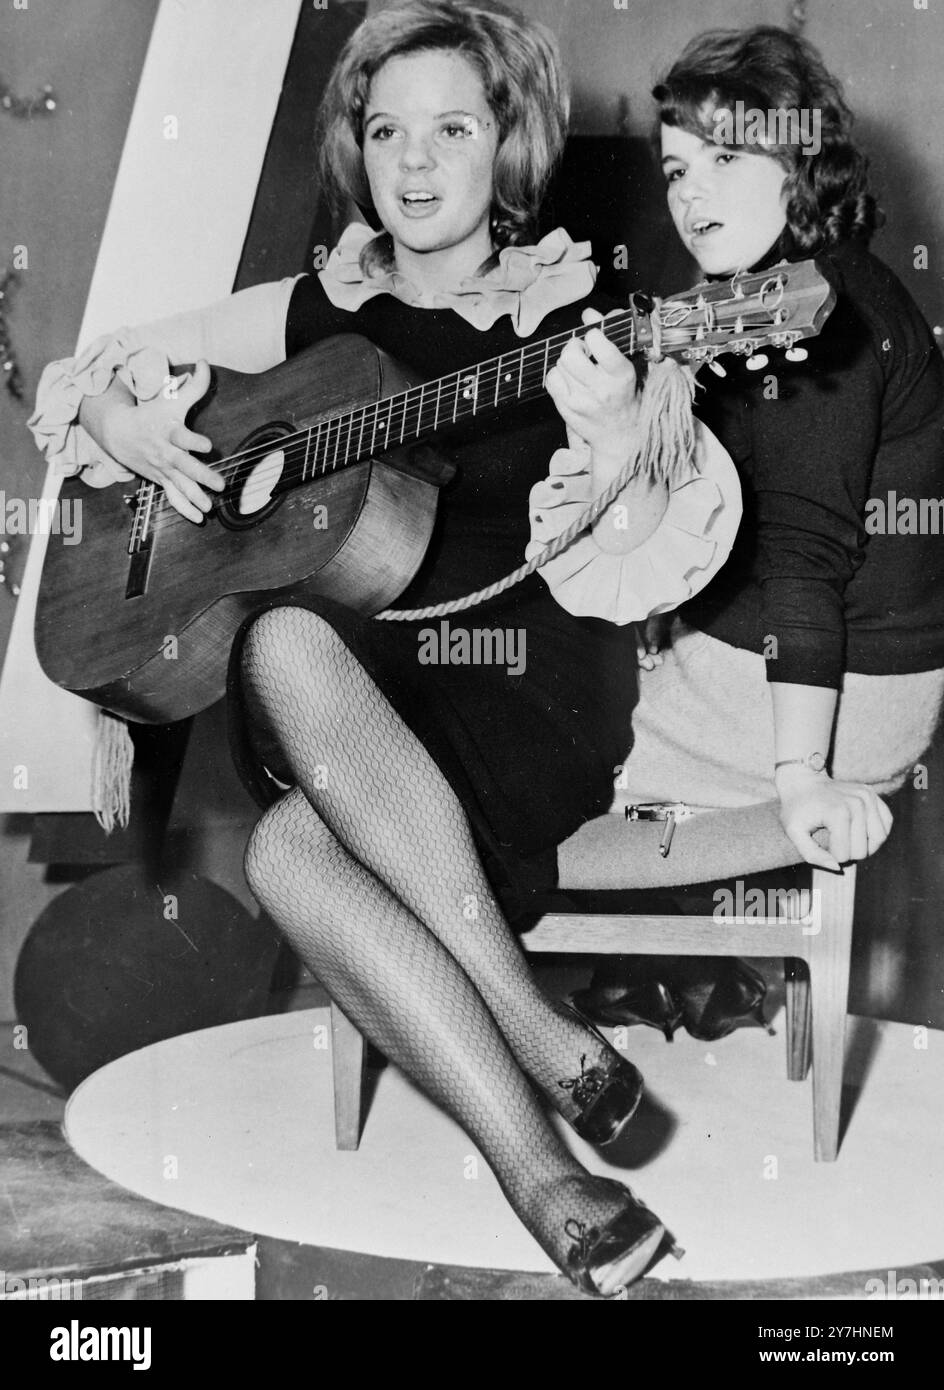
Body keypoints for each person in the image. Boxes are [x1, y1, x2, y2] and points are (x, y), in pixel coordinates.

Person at [29, 0, 738, 1294]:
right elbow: (91, 373)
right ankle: (552, 1162)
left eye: (452, 127)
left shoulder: (567, 309)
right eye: (386, 128)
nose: (414, 163)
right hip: (353, 699)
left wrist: (626, 426)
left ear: (507, 143)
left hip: (522, 687)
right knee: (288, 774)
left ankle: (534, 1065)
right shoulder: (320, 308)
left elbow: (657, 539)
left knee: (286, 789)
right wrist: (132, 427)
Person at [540, 25, 944, 1033]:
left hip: (823, 697)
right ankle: (681, 971)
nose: (690, 192)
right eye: (678, 167)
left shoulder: (826, 316)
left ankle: (642, 965)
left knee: (495, 804)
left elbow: (805, 563)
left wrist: (801, 779)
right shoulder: (779, 292)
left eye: (727, 156)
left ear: (799, 159)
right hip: (802, 673)